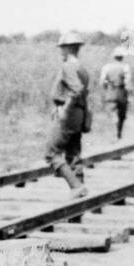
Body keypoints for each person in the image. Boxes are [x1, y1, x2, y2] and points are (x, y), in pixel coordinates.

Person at [45, 31, 92, 196]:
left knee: (51, 154)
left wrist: (65, 109)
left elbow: (76, 89)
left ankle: (76, 186)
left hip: (68, 114)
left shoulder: (67, 66)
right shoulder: (81, 68)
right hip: (78, 114)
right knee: (73, 155)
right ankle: (81, 192)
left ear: (68, 49)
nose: (61, 52)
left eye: (62, 48)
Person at [99, 46, 132, 140]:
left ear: (114, 56)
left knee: (111, 111)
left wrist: (107, 87)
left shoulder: (107, 67)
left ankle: (114, 129)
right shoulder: (125, 67)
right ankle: (119, 133)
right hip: (121, 92)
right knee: (122, 114)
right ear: (122, 57)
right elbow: (128, 82)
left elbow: (102, 81)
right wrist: (128, 93)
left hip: (110, 91)